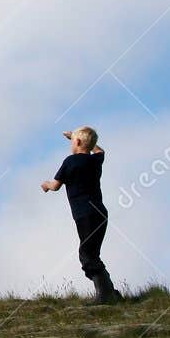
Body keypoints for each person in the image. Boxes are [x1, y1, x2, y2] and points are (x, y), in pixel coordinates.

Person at [41, 127, 120, 304]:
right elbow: (100, 150)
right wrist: (87, 142)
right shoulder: (95, 160)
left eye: (72, 141)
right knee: (92, 253)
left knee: (87, 255)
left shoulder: (70, 162)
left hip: (85, 215)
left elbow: (55, 186)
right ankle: (110, 293)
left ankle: (106, 295)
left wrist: (45, 185)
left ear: (76, 142)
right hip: (100, 213)